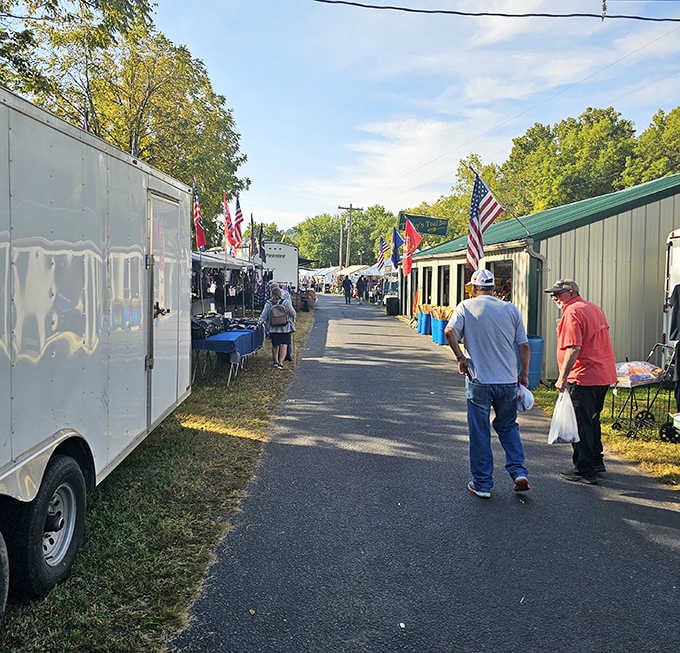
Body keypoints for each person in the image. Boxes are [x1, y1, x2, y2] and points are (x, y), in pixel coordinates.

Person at [445, 268, 531, 499]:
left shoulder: (465, 307)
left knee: (480, 430)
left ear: (473, 288)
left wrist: (460, 358)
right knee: (508, 425)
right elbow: (523, 346)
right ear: (494, 288)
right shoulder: (510, 309)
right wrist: (523, 374)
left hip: (479, 380)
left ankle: (482, 483)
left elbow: (450, 331)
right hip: (506, 380)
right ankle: (519, 471)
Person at [545, 279, 617, 485]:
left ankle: (585, 470)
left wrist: (562, 377)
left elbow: (573, 347)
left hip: (584, 376)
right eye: (553, 294)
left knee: (581, 423)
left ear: (570, 292)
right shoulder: (593, 308)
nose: (554, 298)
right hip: (602, 374)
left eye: (557, 294)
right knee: (592, 419)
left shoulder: (572, 312)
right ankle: (596, 460)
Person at [257, 284, 296, 369]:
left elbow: (264, 315)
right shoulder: (285, 302)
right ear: (280, 293)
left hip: (273, 328)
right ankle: (281, 363)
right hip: (285, 328)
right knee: (284, 345)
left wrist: (258, 323)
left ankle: (275, 361)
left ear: (271, 293)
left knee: (275, 345)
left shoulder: (268, 303)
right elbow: (293, 313)